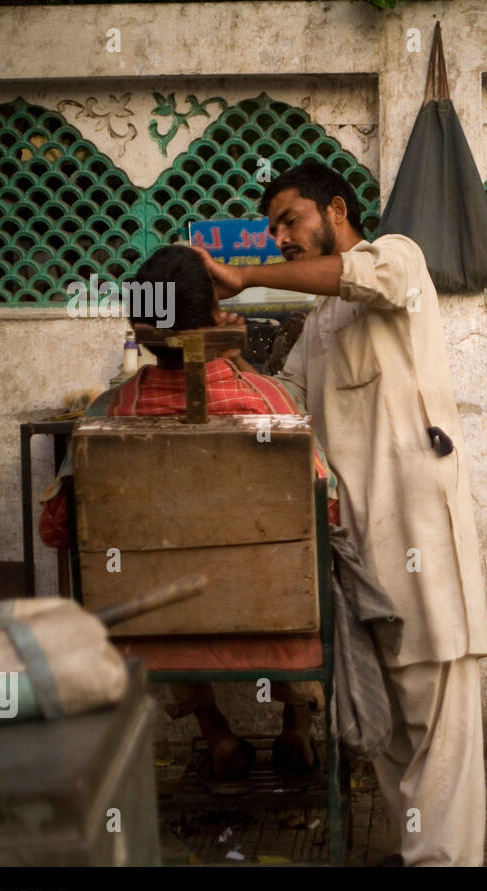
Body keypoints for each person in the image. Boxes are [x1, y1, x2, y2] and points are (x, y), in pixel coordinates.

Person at [191, 159, 487, 866]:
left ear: (336, 209)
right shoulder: (322, 323)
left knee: (438, 712)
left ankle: (447, 861)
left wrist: (249, 277)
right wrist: (206, 355)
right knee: (385, 718)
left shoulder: (398, 261)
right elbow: (282, 402)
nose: (281, 239)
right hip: (360, 553)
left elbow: (360, 277)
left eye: (289, 221)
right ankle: (424, 851)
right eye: (271, 231)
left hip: (423, 539)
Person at [39, 244, 338, 779]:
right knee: (296, 568)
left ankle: (217, 734)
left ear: (141, 322)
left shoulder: (106, 416)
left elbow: (55, 528)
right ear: (216, 317)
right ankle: (296, 725)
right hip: (277, 625)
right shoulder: (273, 405)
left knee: (150, 586)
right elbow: (328, 512)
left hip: (154, 635)